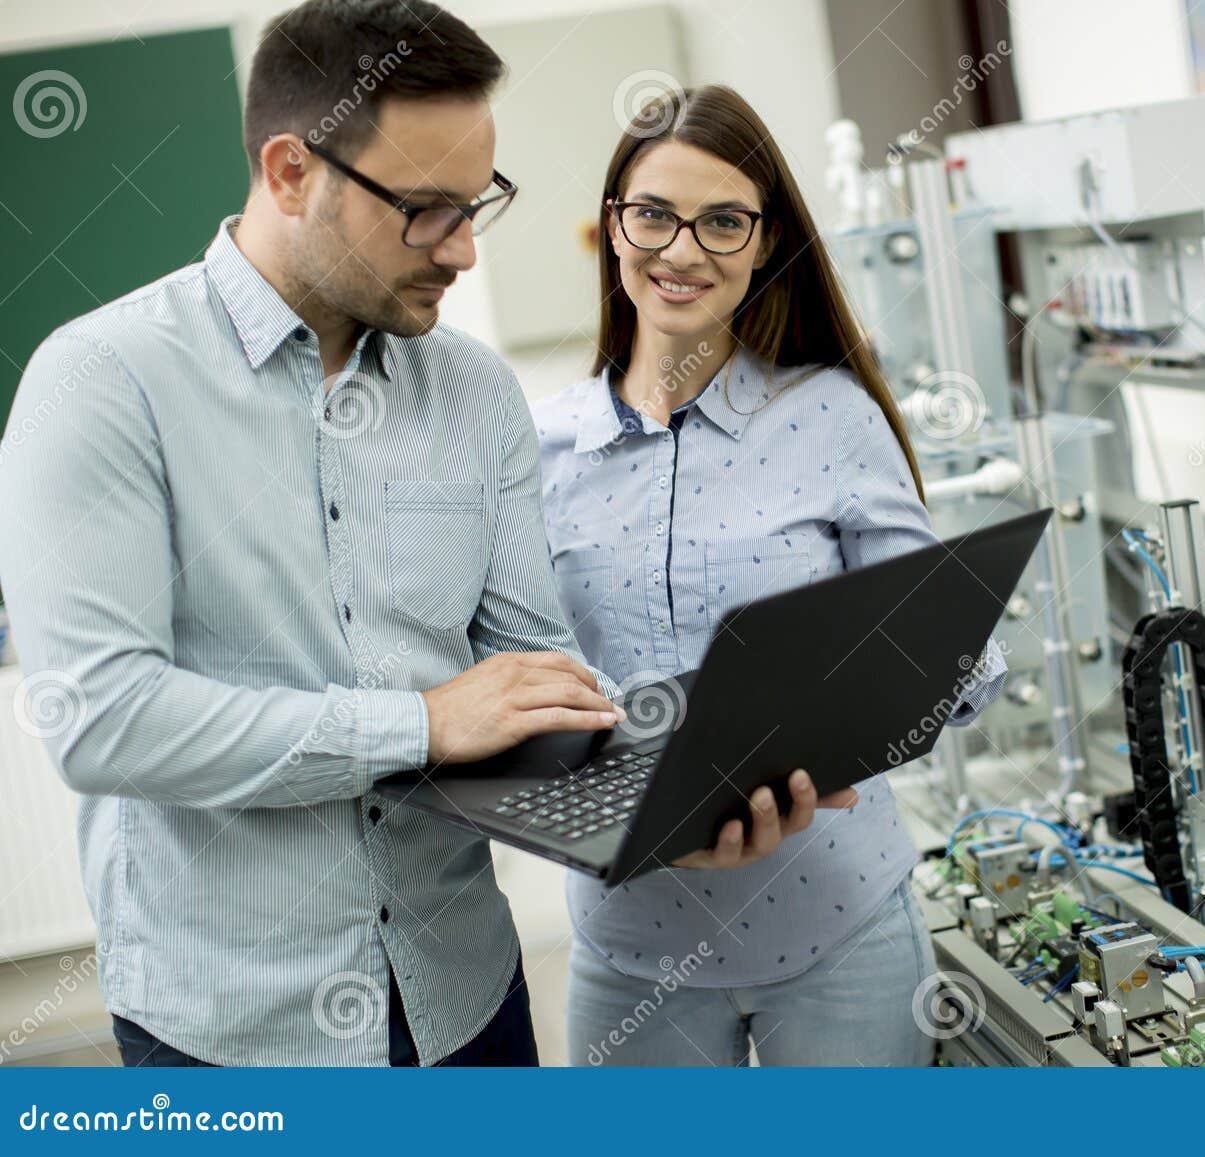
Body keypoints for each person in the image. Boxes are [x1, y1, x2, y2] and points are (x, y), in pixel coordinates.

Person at [0, 1, 814, 1067]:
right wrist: (418, 723)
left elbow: (532, 672)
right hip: (232, 1032)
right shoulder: (102, 382)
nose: (465, 250)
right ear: (291, 172)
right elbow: (104, 721)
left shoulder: (473, 390)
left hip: (463, 997)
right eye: (426, 211)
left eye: (476, 205)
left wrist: (665, 807)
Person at [534, 84, 1006, 1066]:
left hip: (839, 926)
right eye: (653, 214)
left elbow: (937, 649)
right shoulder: (537, 448)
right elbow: (516, 683)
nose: (682, 250)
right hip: (628, 944)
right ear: (612, 226)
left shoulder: (831, 415)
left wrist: (942, 654)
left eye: (723, 222)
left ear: (765, 240)